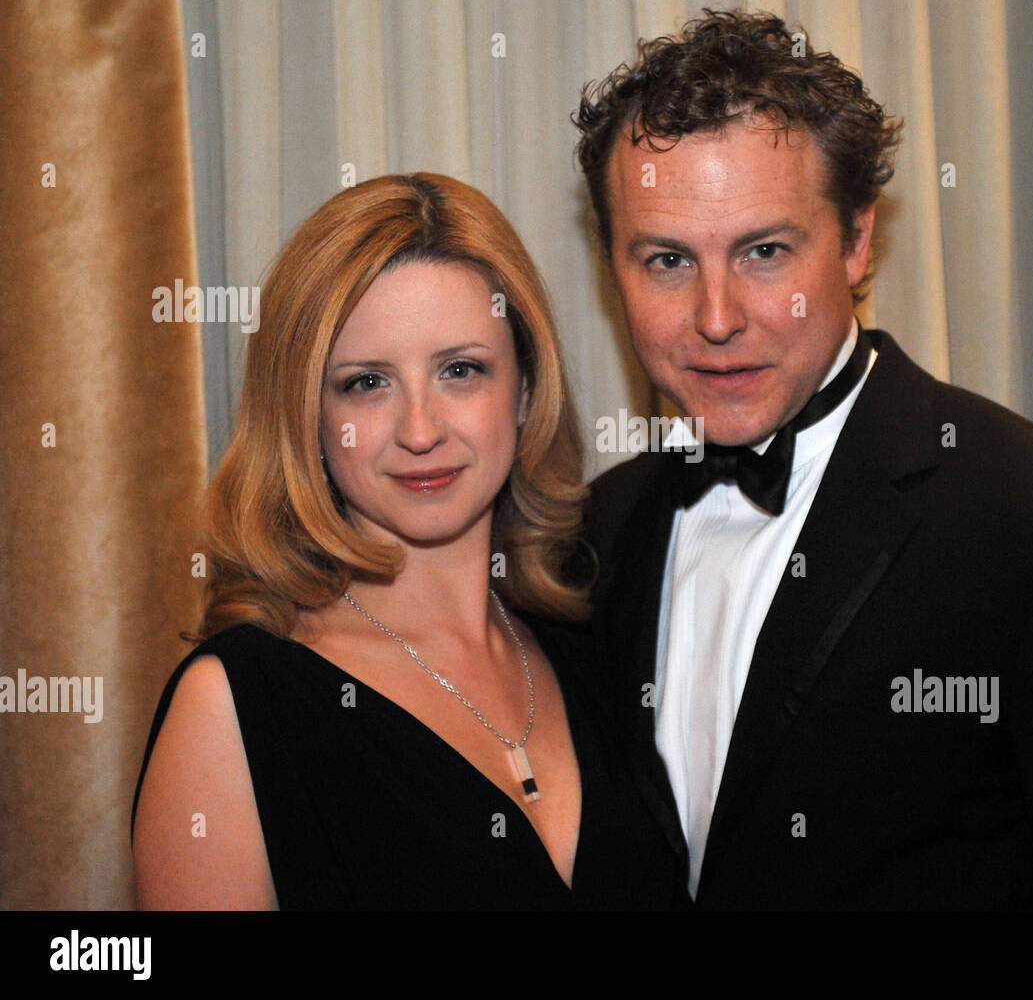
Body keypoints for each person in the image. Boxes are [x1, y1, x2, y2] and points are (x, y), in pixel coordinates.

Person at [572, 8, 1033, 909]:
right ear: (612, 267)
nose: (715, 317)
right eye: (666, 260)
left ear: (858, 242)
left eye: (765, 252)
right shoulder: (594, 535)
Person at [131, 173, 688, 910]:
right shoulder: (237, 703)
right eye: (367, 384)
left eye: (461, 371)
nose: (420, 431)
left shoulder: (595, 649)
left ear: (523, 392)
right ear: (307, 416)